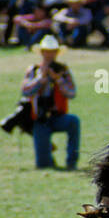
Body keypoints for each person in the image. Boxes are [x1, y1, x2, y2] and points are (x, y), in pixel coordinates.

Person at [19, 35, 80, 170]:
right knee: (43, 165)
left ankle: (72, 162)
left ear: (57, 53)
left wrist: (58, 80)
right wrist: (40, 79)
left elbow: (72, 93)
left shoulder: (63, 70)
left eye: (53, 51)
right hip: (40, 119)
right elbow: (25, 91)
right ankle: (48, 156)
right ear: (42, 52)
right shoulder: (33, 70)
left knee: (74, 121)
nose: (50, 54)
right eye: (47, 51)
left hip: (57, 116)